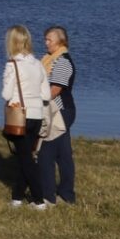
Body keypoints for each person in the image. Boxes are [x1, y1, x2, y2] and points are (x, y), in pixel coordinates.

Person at [1, 25, 47, 208]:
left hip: (20, 116)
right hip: (37, 115)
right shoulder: (38, 64)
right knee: (24, 156)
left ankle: (39, 199)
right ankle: (17, 197)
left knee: (26, 160)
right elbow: (46, 95)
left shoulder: (12, 65)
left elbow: (6, 93)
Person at [37, 25, 77, 204]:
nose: (46, 43)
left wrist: (33, 99)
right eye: (45, 39)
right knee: (64, 154)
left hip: (59, 112)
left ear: (61, 41)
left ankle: (48, 196)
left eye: (49, 40)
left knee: (46, 153)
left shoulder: (62, 62)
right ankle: (66, 195)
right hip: (58, 111)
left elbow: (54, 90)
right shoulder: (49, 59)